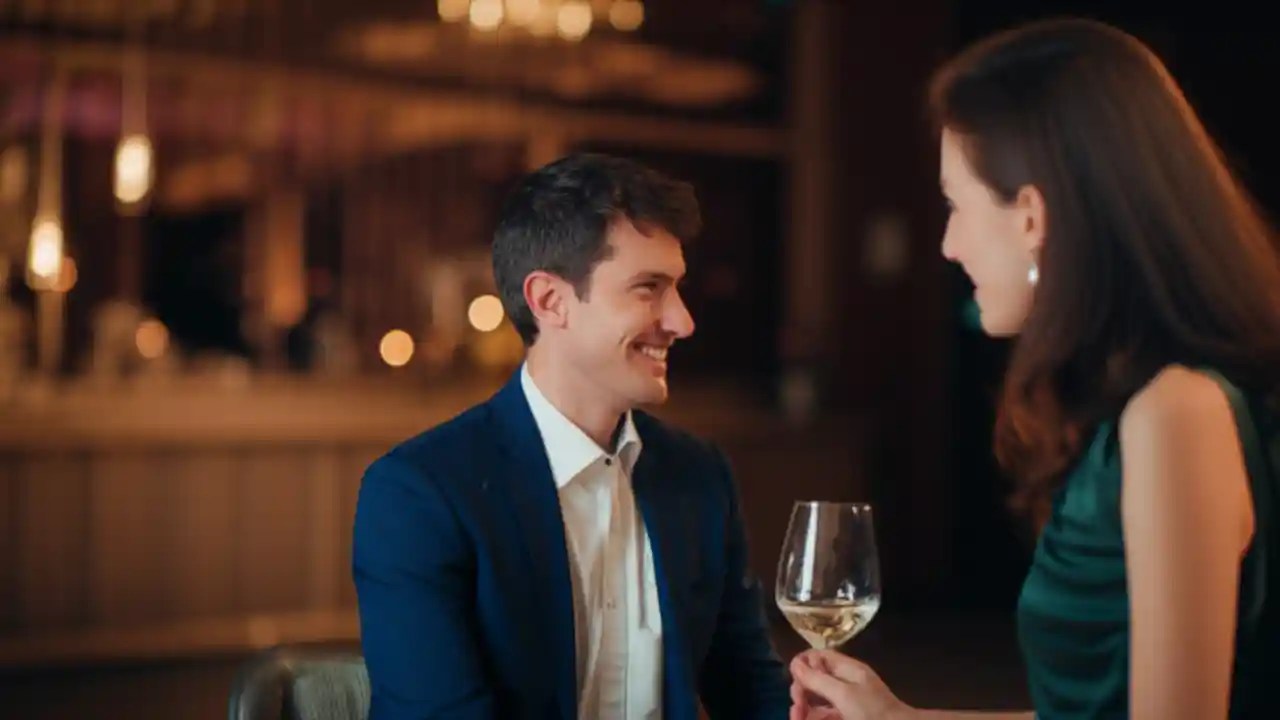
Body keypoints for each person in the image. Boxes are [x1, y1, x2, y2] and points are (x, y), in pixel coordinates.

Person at [789, 17, 1280, 720]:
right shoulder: (1139, 407)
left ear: (1031, 216)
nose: (949, 245)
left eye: (956, 205)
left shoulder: (1177, 412)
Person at [353, 152, 791, 720]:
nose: (683, 321)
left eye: (677, 288)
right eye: (648, 288)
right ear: (550, 301)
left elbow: (751, 691)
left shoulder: (699, 475)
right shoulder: (419, 494)